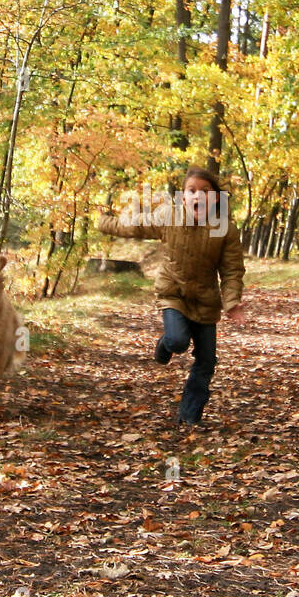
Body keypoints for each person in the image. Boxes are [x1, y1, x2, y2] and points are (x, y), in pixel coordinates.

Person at [96, 167, 246, 427]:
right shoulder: (168, 217)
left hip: (205, 301)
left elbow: (232, 270)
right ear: (183, 198)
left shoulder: (226, 230)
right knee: (178, 341)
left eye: (205, 191)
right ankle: (165, 345)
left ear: (217, 199)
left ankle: (189, 414)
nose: (198, 196)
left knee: (206, 361)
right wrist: (102, 221)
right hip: (173, 292)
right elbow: (133, 226)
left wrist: (231, 301)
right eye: (191, 191)